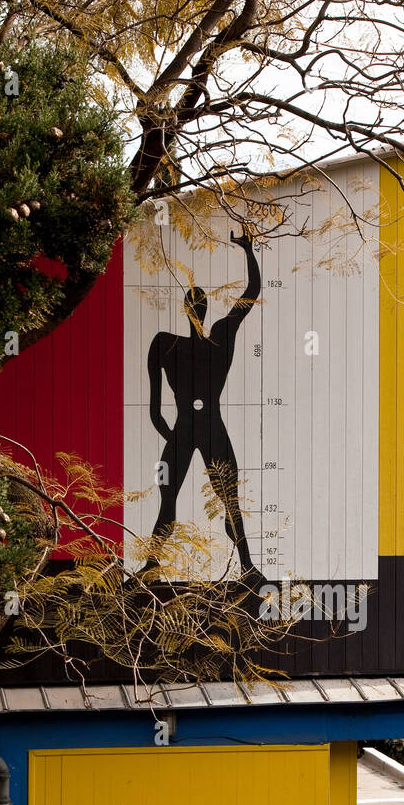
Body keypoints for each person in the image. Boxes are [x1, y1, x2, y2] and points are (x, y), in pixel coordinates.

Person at [143, 226, 262, 580]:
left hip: (192, 428)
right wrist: (248, 250)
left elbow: (154, 411)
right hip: (204, 427)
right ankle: (152, 564)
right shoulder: (213, 339)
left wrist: (174, 437)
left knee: (220, 502)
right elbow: (251, 293)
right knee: (207, 502)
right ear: (203, 309)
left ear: (188, 308)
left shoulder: (168, 344)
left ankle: (246, 566)